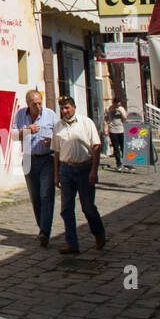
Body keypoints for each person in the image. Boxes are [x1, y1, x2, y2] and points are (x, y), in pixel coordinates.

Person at [52, 94, 106, 255]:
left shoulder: (86, 123)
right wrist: (56, 174)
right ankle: (72, 243)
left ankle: (98, 233)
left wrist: (94, 171)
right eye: (62, 107)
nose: (64, 110)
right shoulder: (58, 127)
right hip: (66, 169)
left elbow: (96, 147)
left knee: (88, 207)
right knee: (66, 208)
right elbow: (56, 152)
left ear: (74, 107)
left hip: (84, 169)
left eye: (67, 107)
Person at [10, 89, 57, 247]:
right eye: (34, 104)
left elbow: (59, 135)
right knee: (36, 197)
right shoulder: (21, 115)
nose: (38, 107)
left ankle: (44, 232)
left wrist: (51, 143)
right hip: (29, 159)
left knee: (46, 195)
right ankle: (42, 227)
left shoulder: (50, 114)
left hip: (47, 159)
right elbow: (13, 135)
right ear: (28, 104)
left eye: (39, 103)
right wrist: (27, 130)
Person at [104, 100, 128, 172]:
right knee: (116, 148)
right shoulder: (108, 108)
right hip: (113, 130)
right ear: (113, 103)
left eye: (118, 105)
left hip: (121, 129)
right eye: (116, 105)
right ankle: (118, 163)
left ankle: (126, 162)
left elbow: (125, 118)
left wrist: (120, 112)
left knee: (123, 147)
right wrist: (106, 128)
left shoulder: (121, 109)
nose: (117, 107)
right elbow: (106, 118)